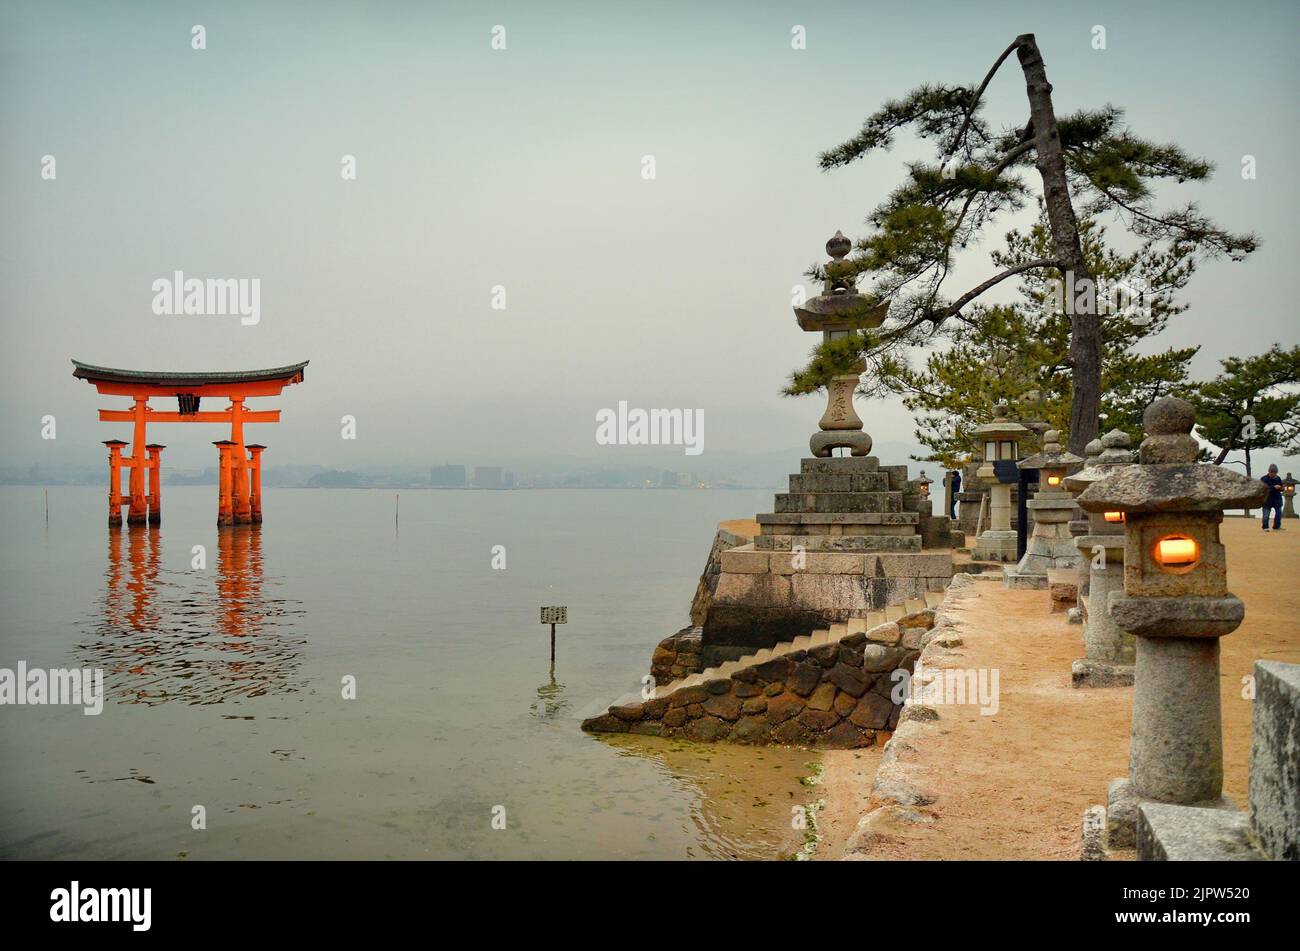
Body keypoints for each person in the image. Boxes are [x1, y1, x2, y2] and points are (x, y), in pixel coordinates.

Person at [1261, 464, 1284, 531]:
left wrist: (1282, 488)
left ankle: (1276, 526)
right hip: (1267, 499)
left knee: (1279, 513)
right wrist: (1273, 487)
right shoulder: (1264, 479)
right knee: (1266, 515)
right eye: (1272, 472)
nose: (1274, 474)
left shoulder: (1278, 478)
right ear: (1269, 472)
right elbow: (1262, 489)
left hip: (1277, 499)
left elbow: (1281, 486)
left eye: (1275, 473)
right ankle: (1265, 527)